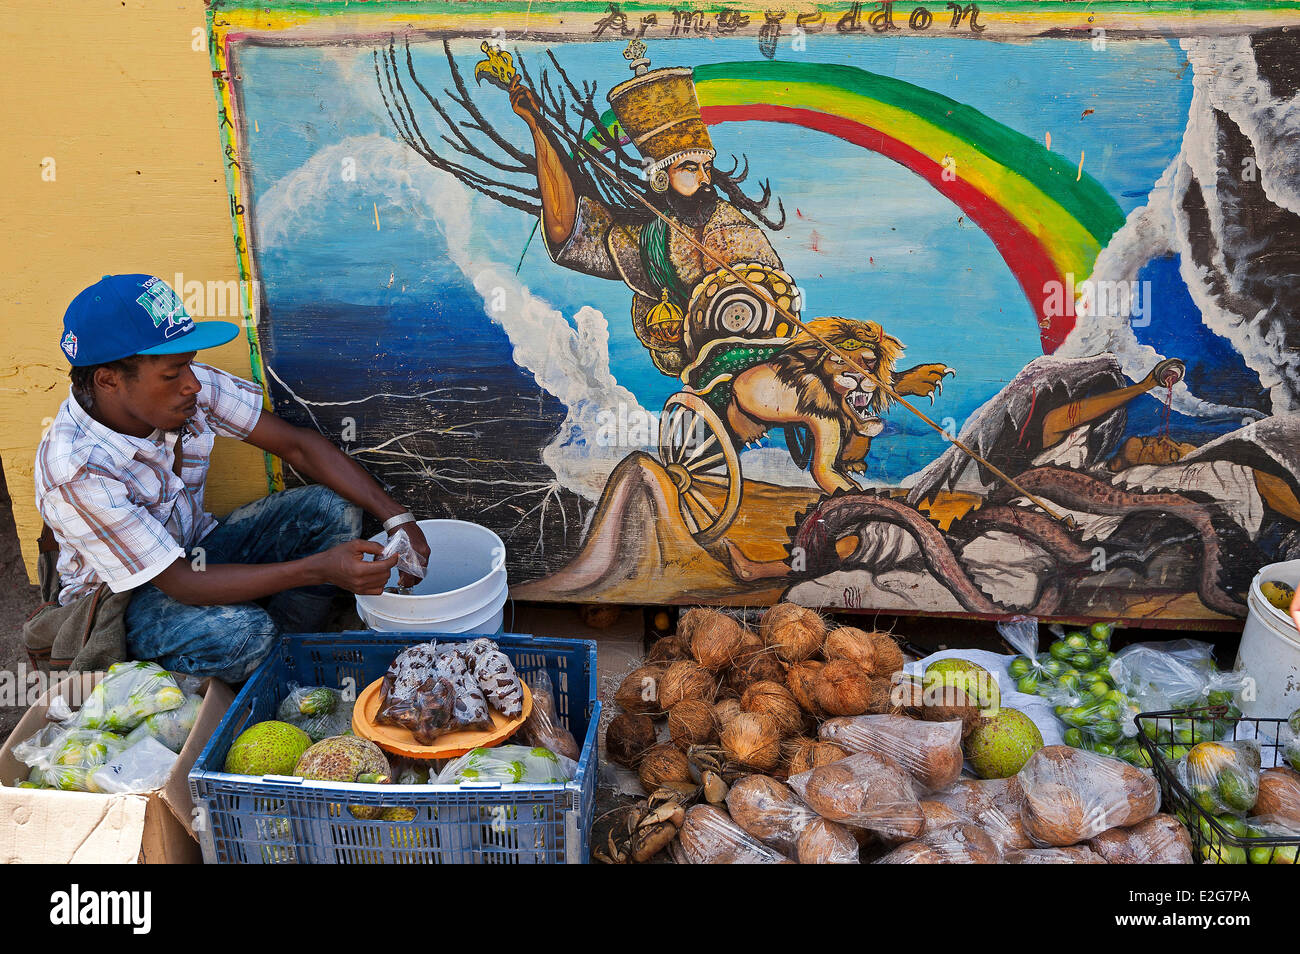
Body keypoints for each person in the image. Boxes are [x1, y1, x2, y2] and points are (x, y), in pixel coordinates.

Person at [33, 274, 430, 680]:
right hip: (126, 601)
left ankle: (288, 650)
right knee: (242, 635)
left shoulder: (184, 388)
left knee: (334, 507)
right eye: (172, 374)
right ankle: (242, 660)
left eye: (188, 363)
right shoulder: (77, 471)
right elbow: (183, 584)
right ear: (108, 379)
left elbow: (297, 446)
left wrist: (398, 517)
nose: (191, 383)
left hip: (197, 551)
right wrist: (321, 569)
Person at [509, 40, 785, 377]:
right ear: (660, 178)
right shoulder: (647, 240)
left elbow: (771, 302)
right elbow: (565, 230)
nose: (704, 179)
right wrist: (537, 128)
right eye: (689, 168)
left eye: (706, 168)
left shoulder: (735, 228)